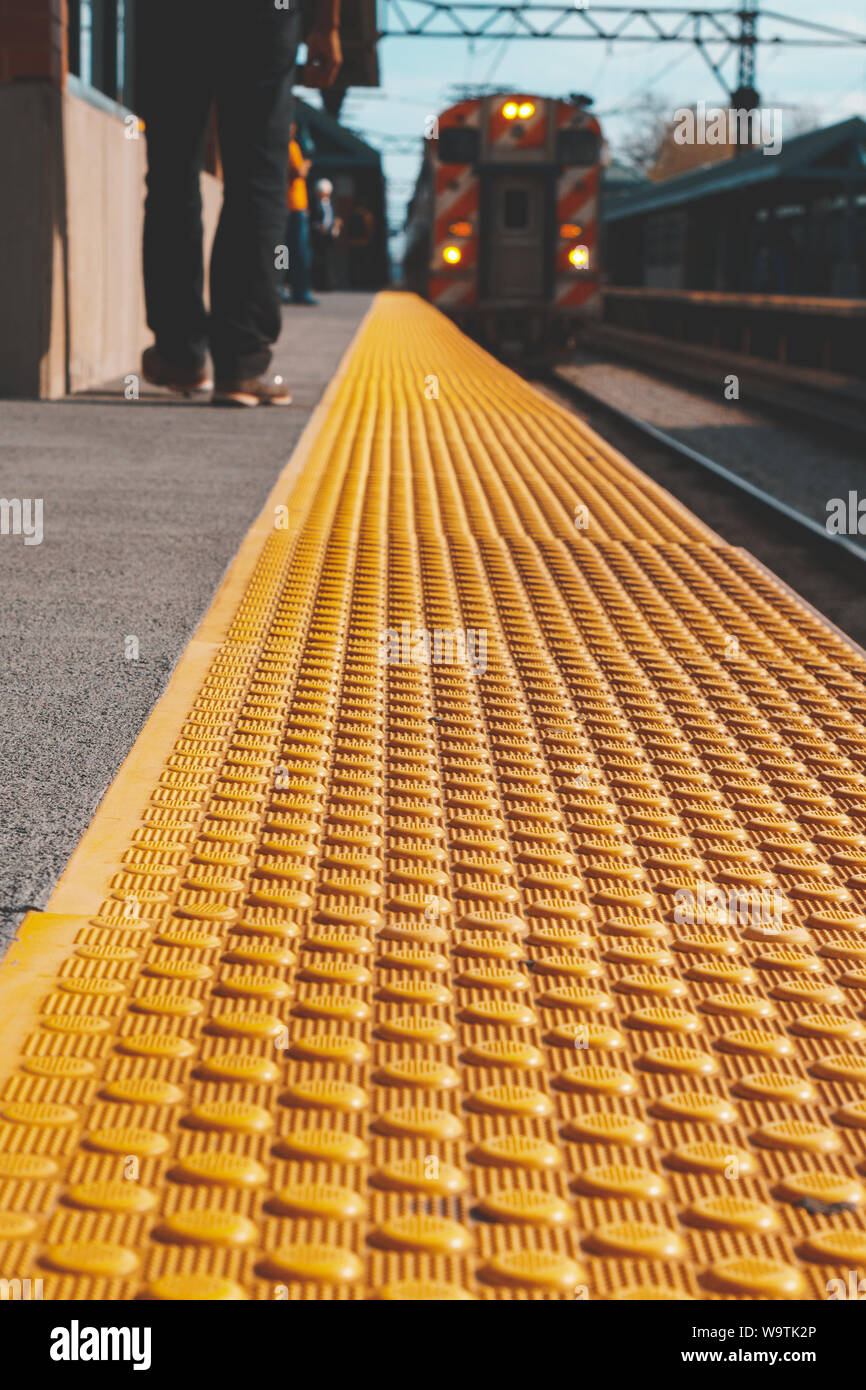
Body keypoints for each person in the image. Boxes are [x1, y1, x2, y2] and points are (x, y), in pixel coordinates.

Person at [138, 0, 342, 407]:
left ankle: (179, 355)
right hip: (263, 15)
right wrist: (327, 25)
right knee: (257, 177)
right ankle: (242, 365)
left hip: (171, 16)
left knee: (172, 174)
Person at [281, 123, 318, 306]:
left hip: (288, 205)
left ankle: (279, 288)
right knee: (298, 252)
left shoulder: (282, 145)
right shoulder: (291, 147)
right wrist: (308, 162)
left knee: (283, 250)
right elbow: (298, 172)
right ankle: (299, 291)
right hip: (294, 206)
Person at [310, 179, 342, 292]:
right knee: (317, 260)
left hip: (329, 236)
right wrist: (318, 227)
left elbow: (336, 217)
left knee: (329, 260)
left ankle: (329, 284)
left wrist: (336, 225)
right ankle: (318, 284)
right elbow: (310, 219)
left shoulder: (332, 203)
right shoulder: (313, 204)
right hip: (317, 236)